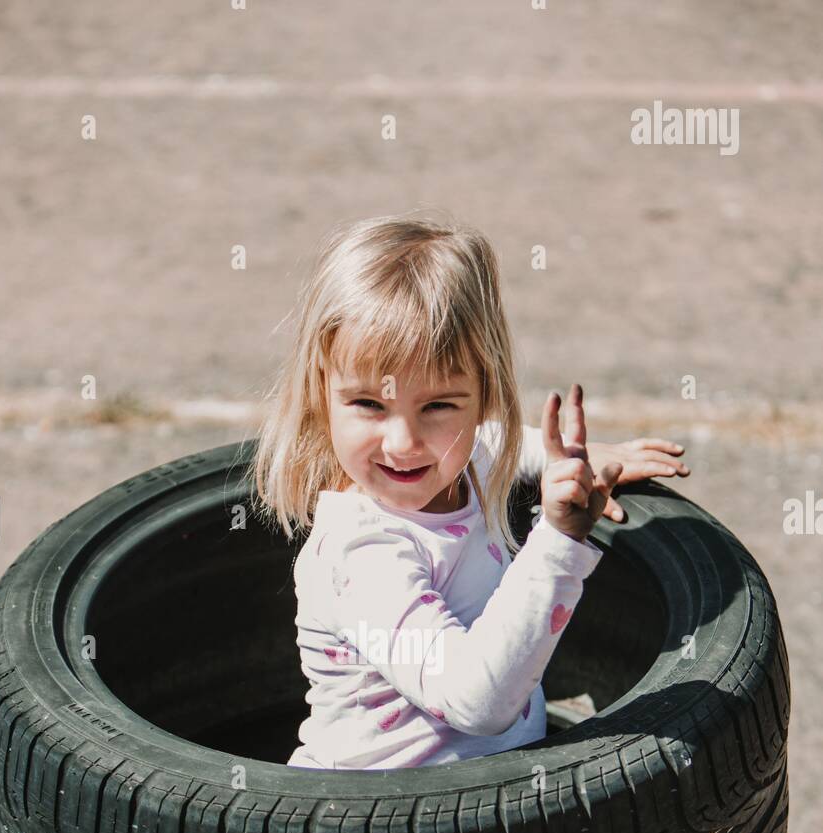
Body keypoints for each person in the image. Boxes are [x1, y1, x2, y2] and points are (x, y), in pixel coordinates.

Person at [249, 213, 688, 771]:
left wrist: (585, 457)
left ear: (486, 393)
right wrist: (558, 541)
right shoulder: (363, 556)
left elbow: (494, 441)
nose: (404, 442)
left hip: (478, 812)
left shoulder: (465, 457)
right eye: (368, 405)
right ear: (321, 394)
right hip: (368, 829)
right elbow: (475, 702)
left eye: (437, 406)